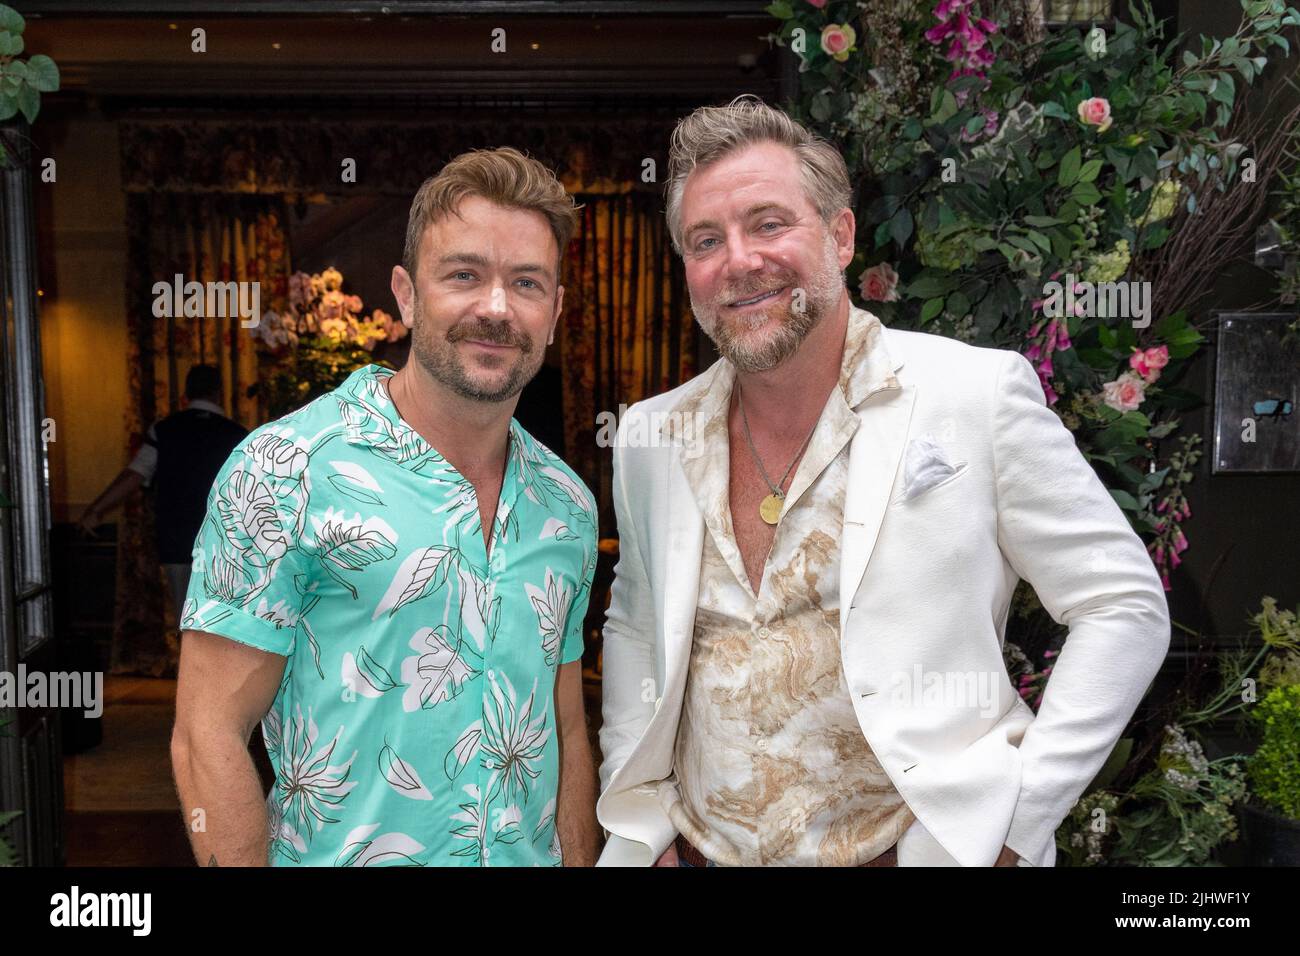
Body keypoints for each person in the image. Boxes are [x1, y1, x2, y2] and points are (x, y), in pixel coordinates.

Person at [595, 96, 1171, 867]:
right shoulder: (649, 436)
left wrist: (1014, 826)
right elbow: (635, 627)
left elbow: (1122, 604)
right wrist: (643, 827)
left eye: (769, 224)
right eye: (707, 240)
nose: (739, 260)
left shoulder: (974, 394)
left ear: (840, 236)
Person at [170, 147, 601, 867]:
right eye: (463, 275)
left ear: (555, 311)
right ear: (405, 295)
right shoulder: (284, 472)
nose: (495, 308)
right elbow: (205, 734)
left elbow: (566, 729)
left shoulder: (568, 506)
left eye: (526, 283)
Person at [79, 364, 248, 624]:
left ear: (186, 393)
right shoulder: (239, 436)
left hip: (176, 540)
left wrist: (96, 509)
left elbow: (134, 474)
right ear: (219, 392)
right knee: (226, 622)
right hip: (224, 544)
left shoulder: (165, 430)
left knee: (188, 622)